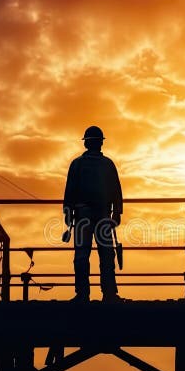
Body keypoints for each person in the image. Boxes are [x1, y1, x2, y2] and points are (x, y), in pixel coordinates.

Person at [63, 125, 123, 302]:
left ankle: (82, 294)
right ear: (101, 144)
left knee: (81, 254)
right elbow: (116, 190)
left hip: (82, 215)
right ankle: (109, 293)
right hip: (104, 214)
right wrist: (117, 212)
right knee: (106, 254)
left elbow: (70, 191)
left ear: (86, 144)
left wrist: (68, 214)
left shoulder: (77, 164)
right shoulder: (108, 164)